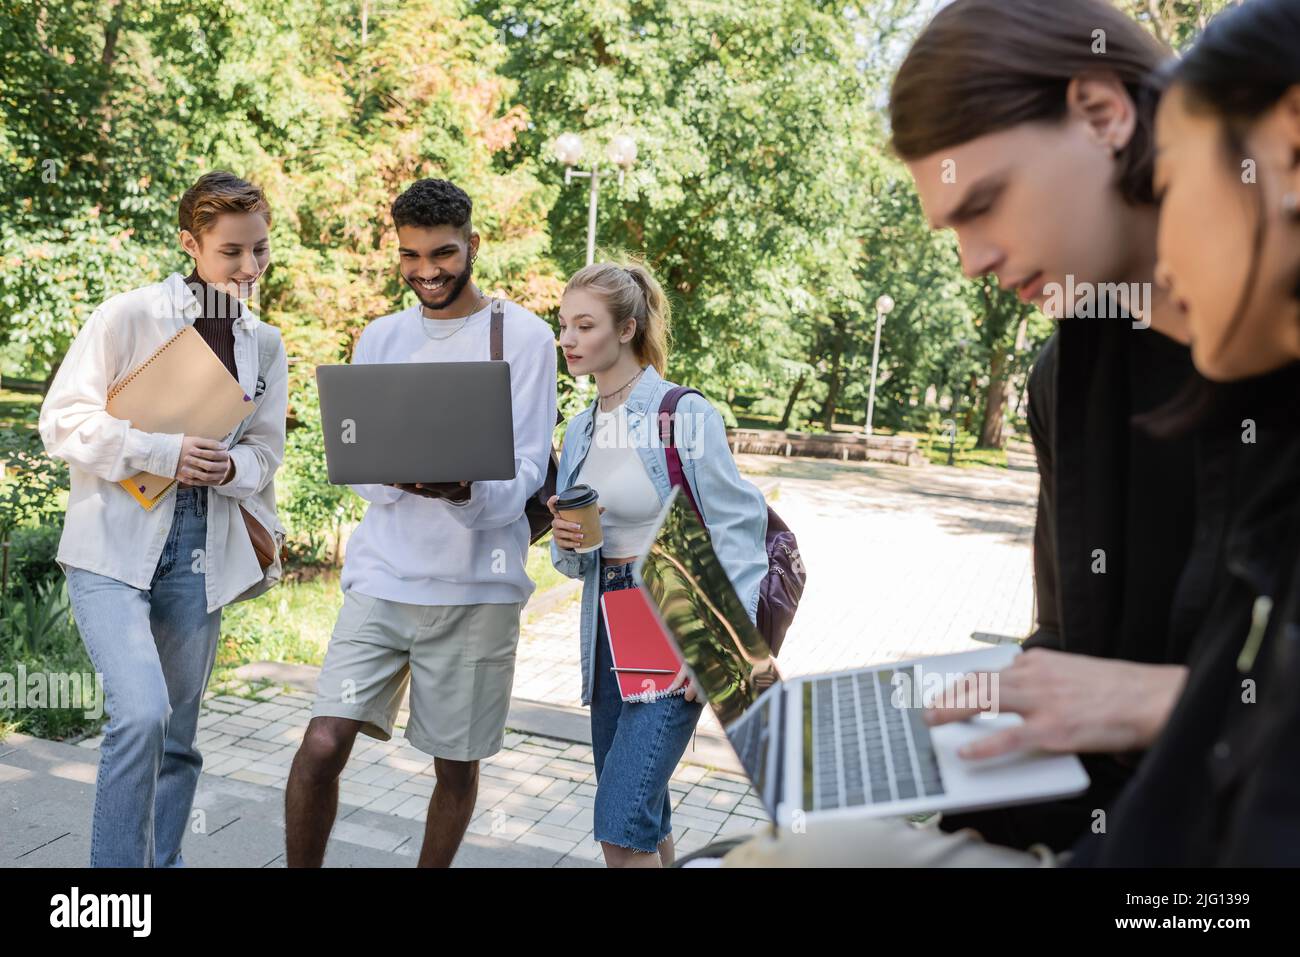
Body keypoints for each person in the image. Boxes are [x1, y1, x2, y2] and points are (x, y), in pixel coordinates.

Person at [721, 0, 1300, 867]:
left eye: (983, 205)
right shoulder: (1066, 376)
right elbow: (1069, 638)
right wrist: (979, 754)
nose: (972, 261)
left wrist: (1163, 705)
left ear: (1103, 114)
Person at [284, 178, 557, 867]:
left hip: (476, 591)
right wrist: (401, 476)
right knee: (321, 744)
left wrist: (464, 491)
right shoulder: (381, 337)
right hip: (383, 580)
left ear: (472, 244)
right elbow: (359, 461)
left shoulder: (522, 337)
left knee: (455, 767)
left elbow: (527, 464)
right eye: (411, 255)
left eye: (443, 253)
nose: (427, 271)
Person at [38, 170, 288, 867]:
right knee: (142, 713)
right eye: (232, 251)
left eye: (260, 249)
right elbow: (60, 422)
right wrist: (161, 450)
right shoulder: (129, 317)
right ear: (191, 243)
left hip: (200, 549)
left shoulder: (264, 344)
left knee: (178, 735)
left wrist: (229, 468)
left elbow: (267, 453)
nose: (249, 266)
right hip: (111, 548)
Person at [547, 260, 769, 868]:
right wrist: (567, 539)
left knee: (619, 822)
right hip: (607, 623)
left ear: (626, 328)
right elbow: (570, 563)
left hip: (676, 616)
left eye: (584, 325)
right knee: (643, 810)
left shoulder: (682, 414)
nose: (567, 338)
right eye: (563, 324)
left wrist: (720, 651)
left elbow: (739, 531)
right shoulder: (582, 427)